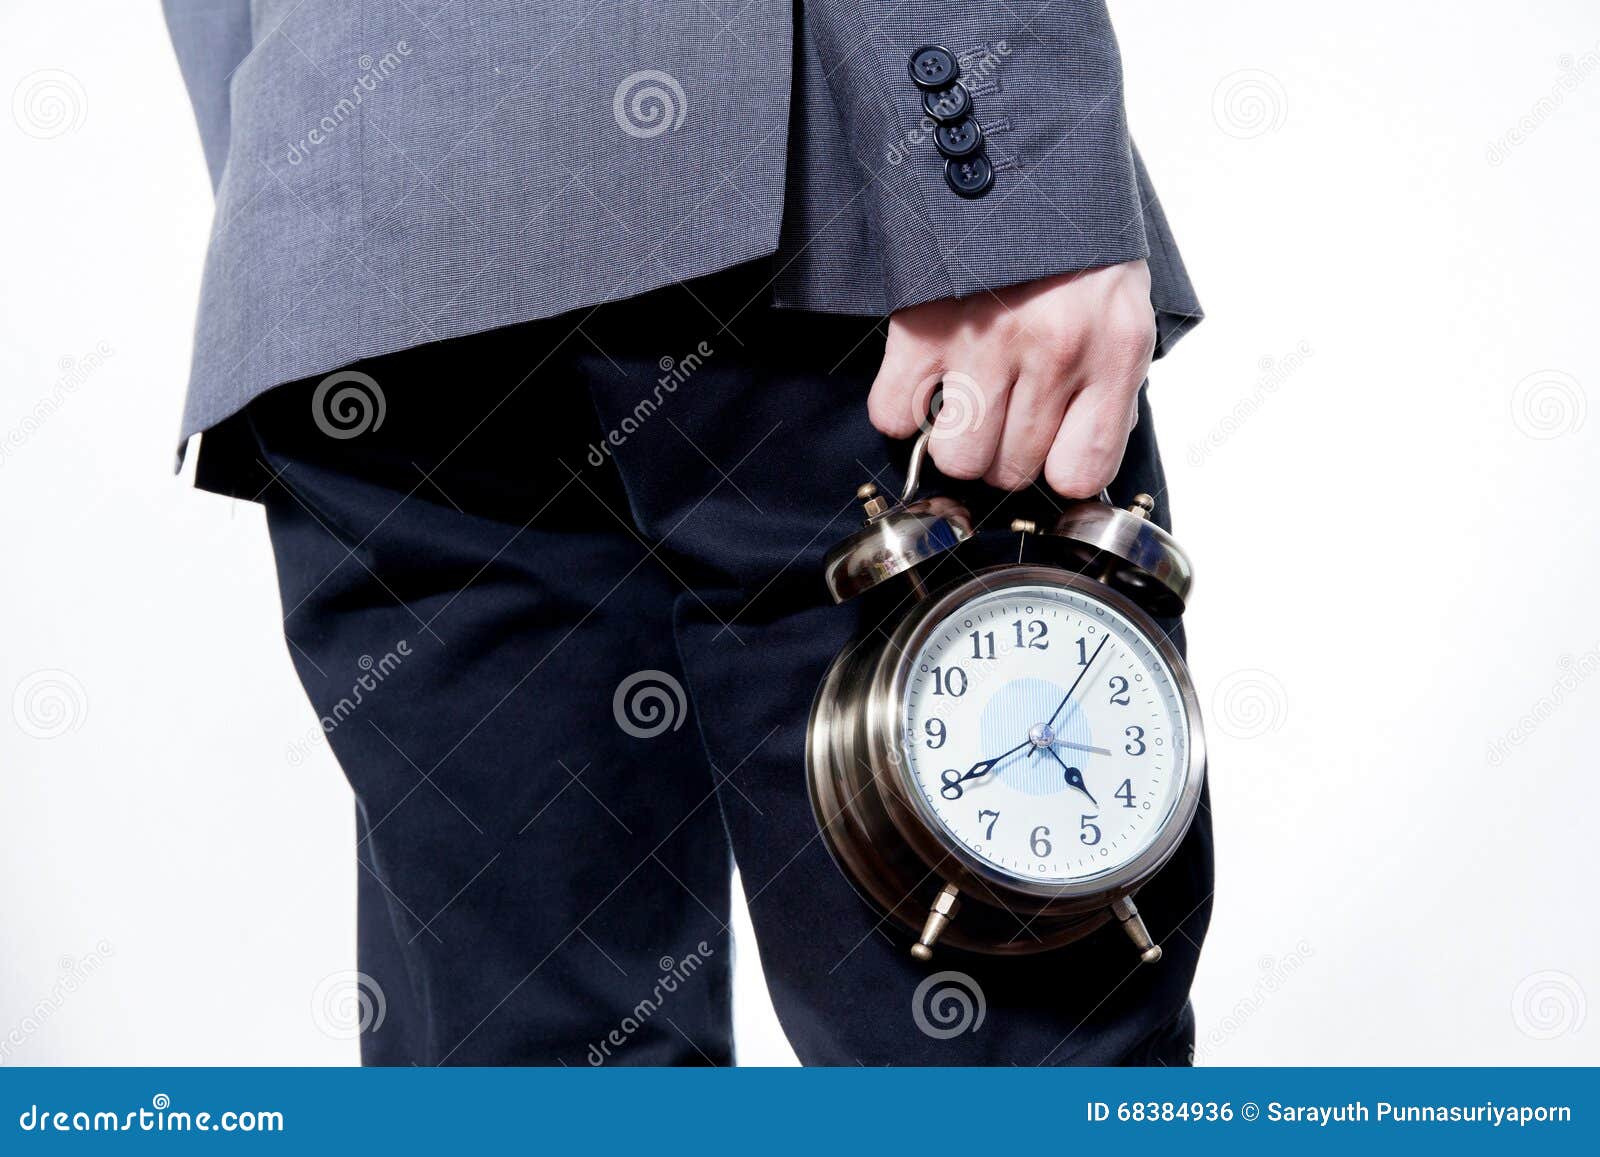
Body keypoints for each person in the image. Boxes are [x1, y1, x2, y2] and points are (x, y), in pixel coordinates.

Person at [163, 0, 1210, 1065]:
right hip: (798, 199)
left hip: (357, 270)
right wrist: (1001, 157)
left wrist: (299, 195)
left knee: (534, 1074)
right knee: (1016, 1057)